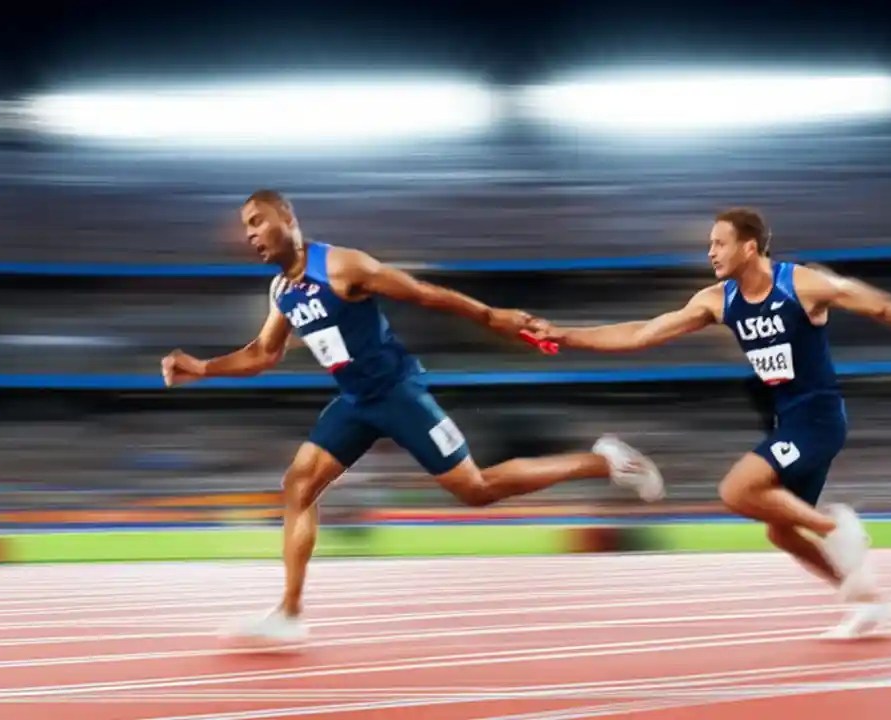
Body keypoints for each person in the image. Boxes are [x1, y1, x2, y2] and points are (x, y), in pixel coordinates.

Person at [160, 189, 664, 644]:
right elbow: (262, 354)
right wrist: (202, 367)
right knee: (297, 485)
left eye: (257, 221)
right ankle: (289, 612)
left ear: (287, 217)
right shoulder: (282, 292)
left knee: (476, 489)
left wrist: (494, 318)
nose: (250, 235)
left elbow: (425, 294)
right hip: (355, 402)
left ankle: (603, 462)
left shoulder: (341, 266)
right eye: (245, 227)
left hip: (399, 394)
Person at [531, 208, 891, 638]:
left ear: (749, 245)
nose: (710, 252)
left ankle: (835, 525)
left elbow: (886, 307)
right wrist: (566, 335)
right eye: (709, 244)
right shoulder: (716, 300)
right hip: (788, 422)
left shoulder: (801, 284)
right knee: (780, 529)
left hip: (818, 418)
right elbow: (640, 333)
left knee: (737, 490)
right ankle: (866, 599)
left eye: (719, 243)